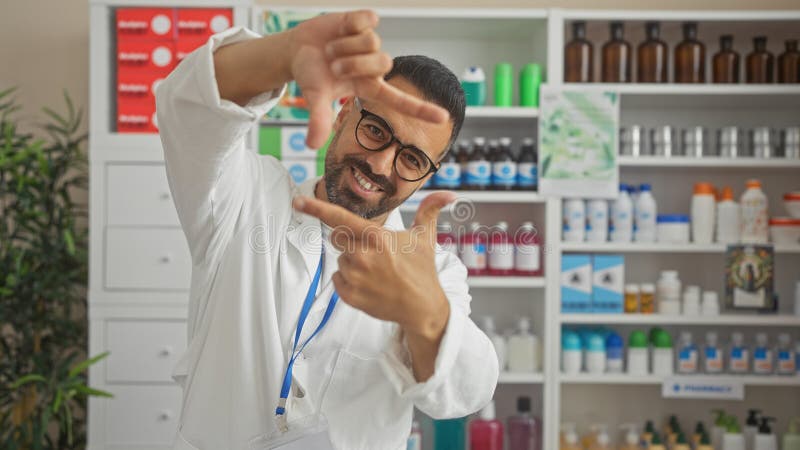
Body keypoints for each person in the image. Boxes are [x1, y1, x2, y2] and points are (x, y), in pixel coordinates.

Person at [155, 9, 498, 450]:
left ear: (426, 178)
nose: (380, 165)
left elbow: (469, 390)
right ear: (342, 117)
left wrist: (424, 314)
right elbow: (188, 110)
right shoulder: (246, 197)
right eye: (375, 129)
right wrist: (284, 52)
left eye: (411, 159)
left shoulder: (434, 273)